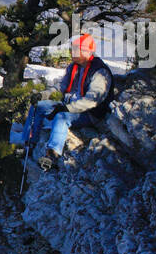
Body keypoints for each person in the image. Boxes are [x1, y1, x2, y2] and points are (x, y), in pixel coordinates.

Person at [19, 32, 114, 170]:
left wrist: (67, 109)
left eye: (76, 49)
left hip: (90, 113)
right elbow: (61, 88)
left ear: (87, 51)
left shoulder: (99, 71)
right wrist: (43, 95)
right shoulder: (74, 67)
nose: (73, 52)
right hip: (68, 105)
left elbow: (92, 101)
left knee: (61, 117)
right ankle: (28, 144)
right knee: (38, 107)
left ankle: (52, 155)